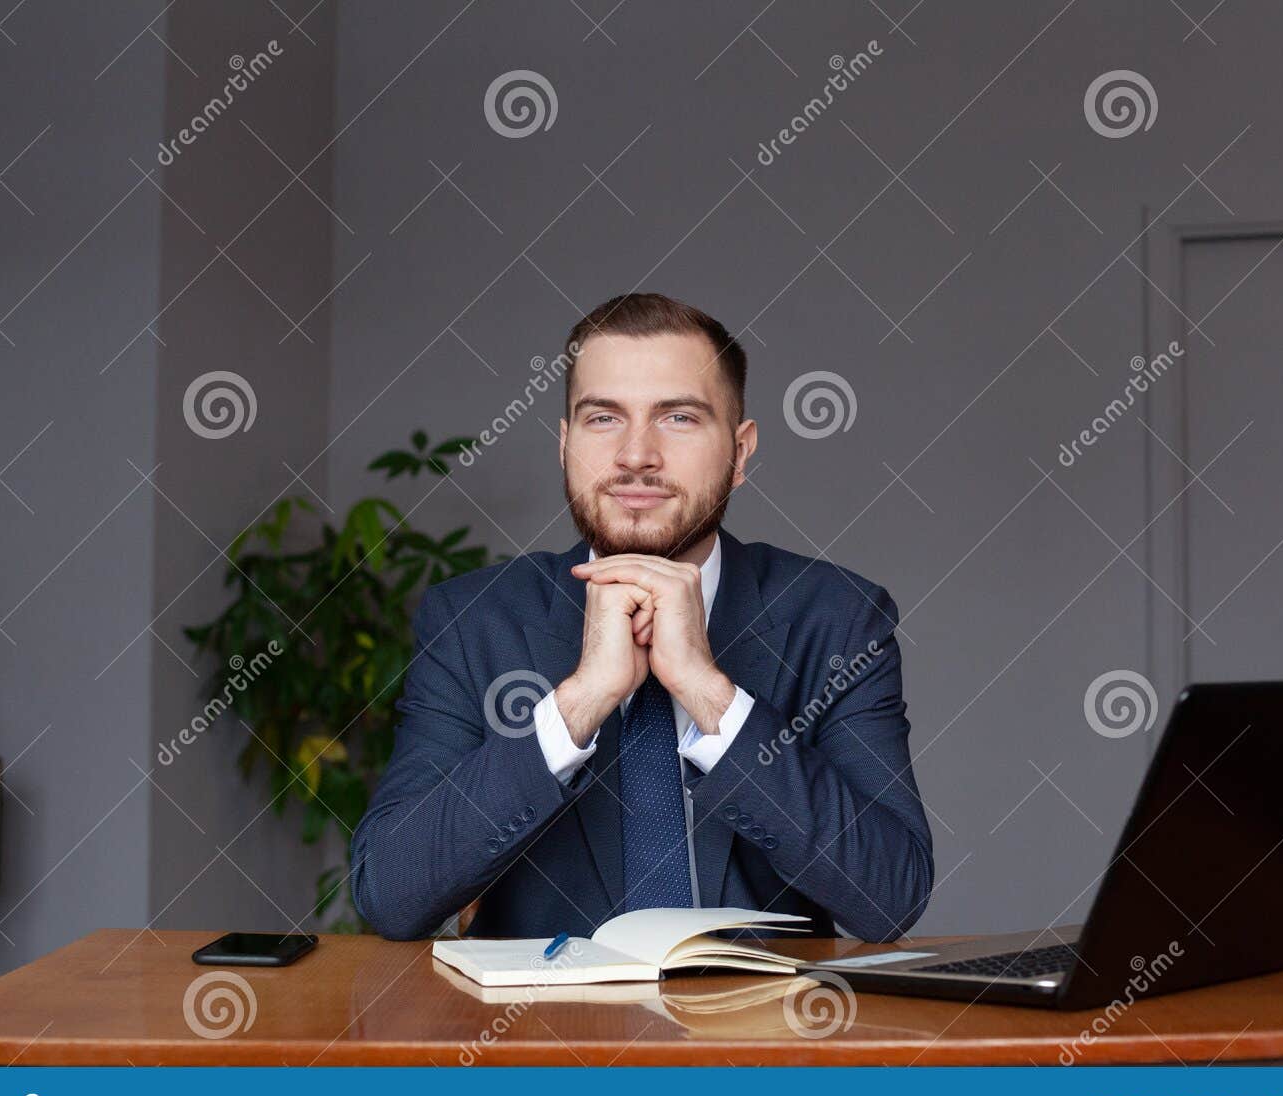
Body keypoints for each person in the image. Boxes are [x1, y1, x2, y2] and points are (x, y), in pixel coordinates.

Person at [351, 292, 933, 942]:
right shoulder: (472, 621)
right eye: (604, 419)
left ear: (740, 453)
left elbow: (890, 896)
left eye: (678, 418)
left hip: (760, 1035)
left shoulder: (839, 617)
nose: (635, 455)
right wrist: (578, 704)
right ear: (566, 444)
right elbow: (390, 894)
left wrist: (712, 694)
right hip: (541, 1036)